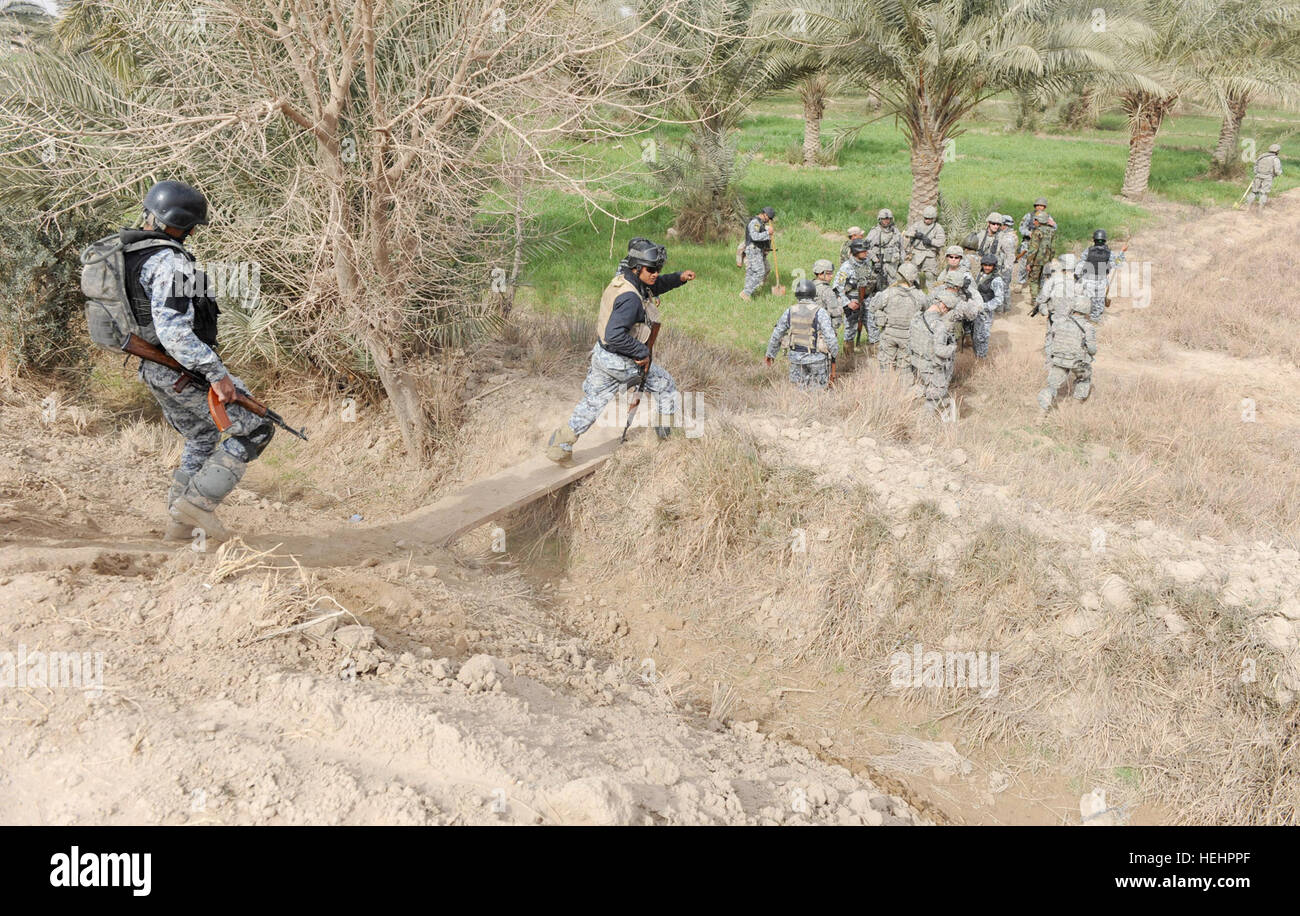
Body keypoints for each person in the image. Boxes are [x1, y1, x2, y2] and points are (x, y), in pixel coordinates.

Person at [123, 180, 274, 543]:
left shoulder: (135, 255)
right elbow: (174, 332)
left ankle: (179, 524)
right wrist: (217, 375)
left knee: (202, 436)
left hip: (155, 368)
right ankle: (196, 506)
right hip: (179, 369)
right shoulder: (171, 263)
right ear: (186, 226)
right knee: (255, 428)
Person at [547, 238, 696, 461]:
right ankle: (665, 439)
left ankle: (560, 445)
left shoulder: (624, 279)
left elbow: (653, 285)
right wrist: (641, 352)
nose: (655, 273)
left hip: (602, 356)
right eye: (651, 269)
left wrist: (678, 278)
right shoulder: (630, 299)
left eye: (659, 269)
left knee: (593, 401)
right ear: (637, 268)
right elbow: (615, 335)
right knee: (666, 386)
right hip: (620, 360)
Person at [764, 279, 839, 389]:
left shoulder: (790, 311)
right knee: (818, 391)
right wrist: (834, 354)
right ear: (813, 293)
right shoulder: (820, 312)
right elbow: (830, 337)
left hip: (796, 359)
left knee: (799, 391)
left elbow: (777, 333)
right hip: (816, 359)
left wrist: (770, 354)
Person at [1038, 290, 1097, 411]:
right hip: (1077, 362)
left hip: (1059, 360)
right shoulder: (1087, 327)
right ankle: (1075, 406)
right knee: (1084, 378)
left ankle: (1041, 413)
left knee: (1051, 386)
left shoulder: (1059, 322)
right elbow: (1092, 349)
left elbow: (1051, 340)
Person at [872, 262, 928, 371]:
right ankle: (903, 387)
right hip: (908, 336)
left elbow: (873, 307)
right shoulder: (919, 295)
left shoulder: (888, 293)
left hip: (889, 334)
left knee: (886, 366)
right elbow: (927, 310)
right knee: (905, 368)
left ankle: (886, 386)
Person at [908, 293, 958, 413]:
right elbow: (940, 351)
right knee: (937, 394)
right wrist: (952, 347)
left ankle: (910, 410)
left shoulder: (917, 317)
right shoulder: (938, 326)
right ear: (944, 306)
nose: (947, 312)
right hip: (931, 367)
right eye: (949, 309)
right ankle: (925, 424)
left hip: (916, 362)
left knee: (922, 388)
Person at [834, 238, 879, 363]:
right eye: (864, 251)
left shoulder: (866, 264)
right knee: (850, 331)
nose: (866, 253)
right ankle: (849, 360)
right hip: (853, 302)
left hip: (867, 300)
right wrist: (848, 303)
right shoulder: (846, 267)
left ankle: (875, 358)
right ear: (856, 251)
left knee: (872, 327)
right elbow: (837, 288)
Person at [1075, 229, 1127, 321]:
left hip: (1088, 280)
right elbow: (1117, 264)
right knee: (1098, 302)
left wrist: (1077, 277)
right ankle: (1095, 319)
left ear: (1094, 239)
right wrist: (1122, 252)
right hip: (1101, 281)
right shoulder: (1109, 253)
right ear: (1105, 240)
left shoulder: (1088, 251)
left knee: (1086, 300)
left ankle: (1083, 319)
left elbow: (1080, 264)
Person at [904, 205, 946, 289]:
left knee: (930, 276)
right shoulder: (918, 224)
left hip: (929, 254)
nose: (927, 220)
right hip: (916, 253)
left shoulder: (937, 228)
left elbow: (941, 242)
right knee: (911, 273)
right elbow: (908, 232)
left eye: (930, 219)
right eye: (926, 218)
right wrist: (915, 234)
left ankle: (930, 293)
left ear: (933, 218)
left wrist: (931, 241)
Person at [1017, 197, 1056, 283]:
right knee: (1024, 262)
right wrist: (1029, 233)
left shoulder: (1048, 217)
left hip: (1042, 244)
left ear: (1044, 207)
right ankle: (1021, 281)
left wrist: (1052, 224)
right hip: (1028, 242)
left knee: (1041, 263)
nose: (1039, 207)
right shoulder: (1029, 216)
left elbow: (1054, 228)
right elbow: (1021, 228)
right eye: (1037, 205)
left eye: (1041, 206)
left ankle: (1038, 281)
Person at [740, 206, 775, 300]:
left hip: (757, 250)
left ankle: (747, 293)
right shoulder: (755, 223)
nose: (769, 220)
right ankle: (746, 292)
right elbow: (754, 237)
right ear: (765, 215)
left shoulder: (760, 223)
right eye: (769, 218)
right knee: (760, 272)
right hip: (753, 250)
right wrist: (768, 233)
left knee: (751, 272)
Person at [1023, 211, 1056, 302]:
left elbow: (1033, 249)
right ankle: (1043, 300)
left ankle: (1035, 301)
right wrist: (1050, 260)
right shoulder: (1052, 231)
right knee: (1044, 281)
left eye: (1035, 220)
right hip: (1047, 261)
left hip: (1036, 261)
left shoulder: (1037, 232)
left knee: (1033, 280)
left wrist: (1029, 262)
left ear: (1040, 220)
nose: (1034, 222)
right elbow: (1053, 249)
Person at [866, 208, 904, 285]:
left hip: (893, 264)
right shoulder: (875, 231)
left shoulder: (896, 231)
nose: (886, 221)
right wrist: (874, 258)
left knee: (893, 285)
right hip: (879, 264)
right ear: (880, 219)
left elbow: (901, 248)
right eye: (884, 219)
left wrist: (902, 262)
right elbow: (866, 248)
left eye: (888, 219)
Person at [812, 259, 844, 337]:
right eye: (829, 273)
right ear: (820, 273)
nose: (832, 276)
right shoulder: (827, 291)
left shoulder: (809, 286)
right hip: (823, 330)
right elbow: (835, 312)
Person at [1246, 143, 1282, 211]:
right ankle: (1260, 208)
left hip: (1258, 176)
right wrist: (1277, 174)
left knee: (1254, 191)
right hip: (1268, 177)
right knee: (1264, 193)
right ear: (1277, 151)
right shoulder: (1275, 159)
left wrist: (1257, 173)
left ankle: (1248, 207)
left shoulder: (1261, 156)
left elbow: (1255, 165)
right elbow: (1277, 171)